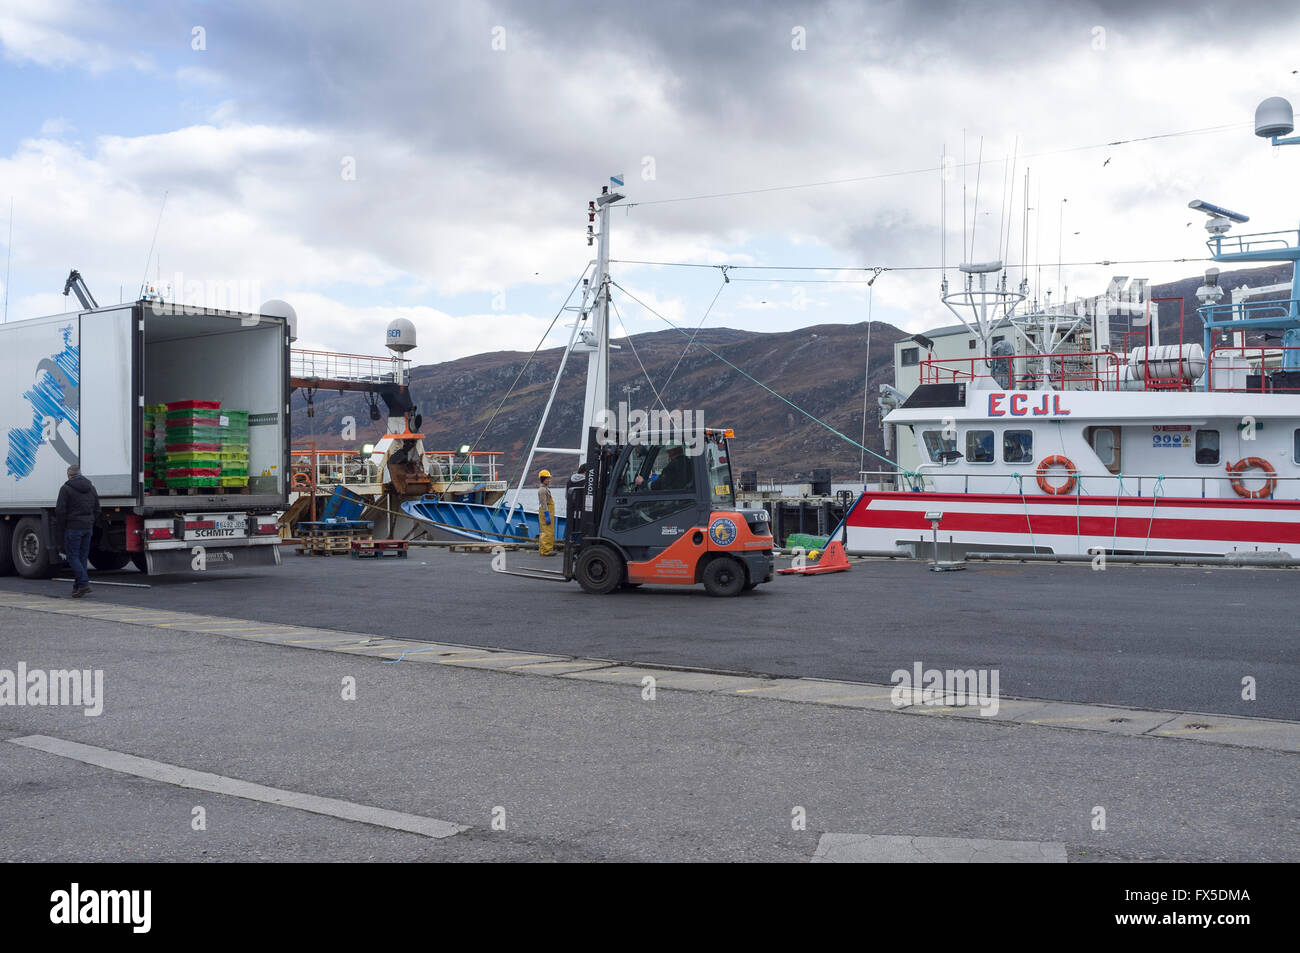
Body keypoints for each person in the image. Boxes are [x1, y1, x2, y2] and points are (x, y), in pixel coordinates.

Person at [55, 464, 100, 598]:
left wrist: (62, 526)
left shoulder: (66, 488)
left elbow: (60, 511)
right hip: (87, 527)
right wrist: (91, 521)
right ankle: (78, 587)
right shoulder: (91, 488)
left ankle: (84, 584)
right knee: (82, 557)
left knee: (72, 557)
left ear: (69, 474)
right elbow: (97, 508)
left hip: (73, 527)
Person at [565, 464, 588, 545]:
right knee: (580, 530)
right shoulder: (587, 482)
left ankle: (571, 544)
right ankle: (578, 546)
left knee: (572, 530)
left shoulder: (569, 481)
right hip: (581, 511)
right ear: (585, 472)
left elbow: (567, 496)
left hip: (571, 511)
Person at [537, 469, 556, 556]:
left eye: (549, 478)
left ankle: (543, 550)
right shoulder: (542, 490)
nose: (549, 480)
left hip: (547, 511)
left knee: (546, 531)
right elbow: (543, 503)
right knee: (547, 532)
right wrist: (546, 513)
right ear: (543, 479)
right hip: (546, 511)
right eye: (547, 479)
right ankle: (546, 551)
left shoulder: (545, 489)